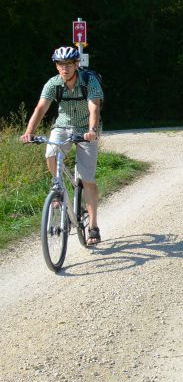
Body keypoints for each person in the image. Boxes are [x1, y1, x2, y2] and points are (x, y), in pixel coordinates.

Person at [20, 46, 104, 244]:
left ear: (76, 64)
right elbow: (41, 108)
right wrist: (29, 132)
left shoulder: (89, 81)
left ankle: (93, 227)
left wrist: (92, 130)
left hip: (86, 130)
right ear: (56, 66)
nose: (64, 68)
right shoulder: (53, 83)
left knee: (87, 179)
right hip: (62, 127)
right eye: (60, 64)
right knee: (50, 154)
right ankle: (59, 191)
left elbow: (94, 108)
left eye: (68, 64)